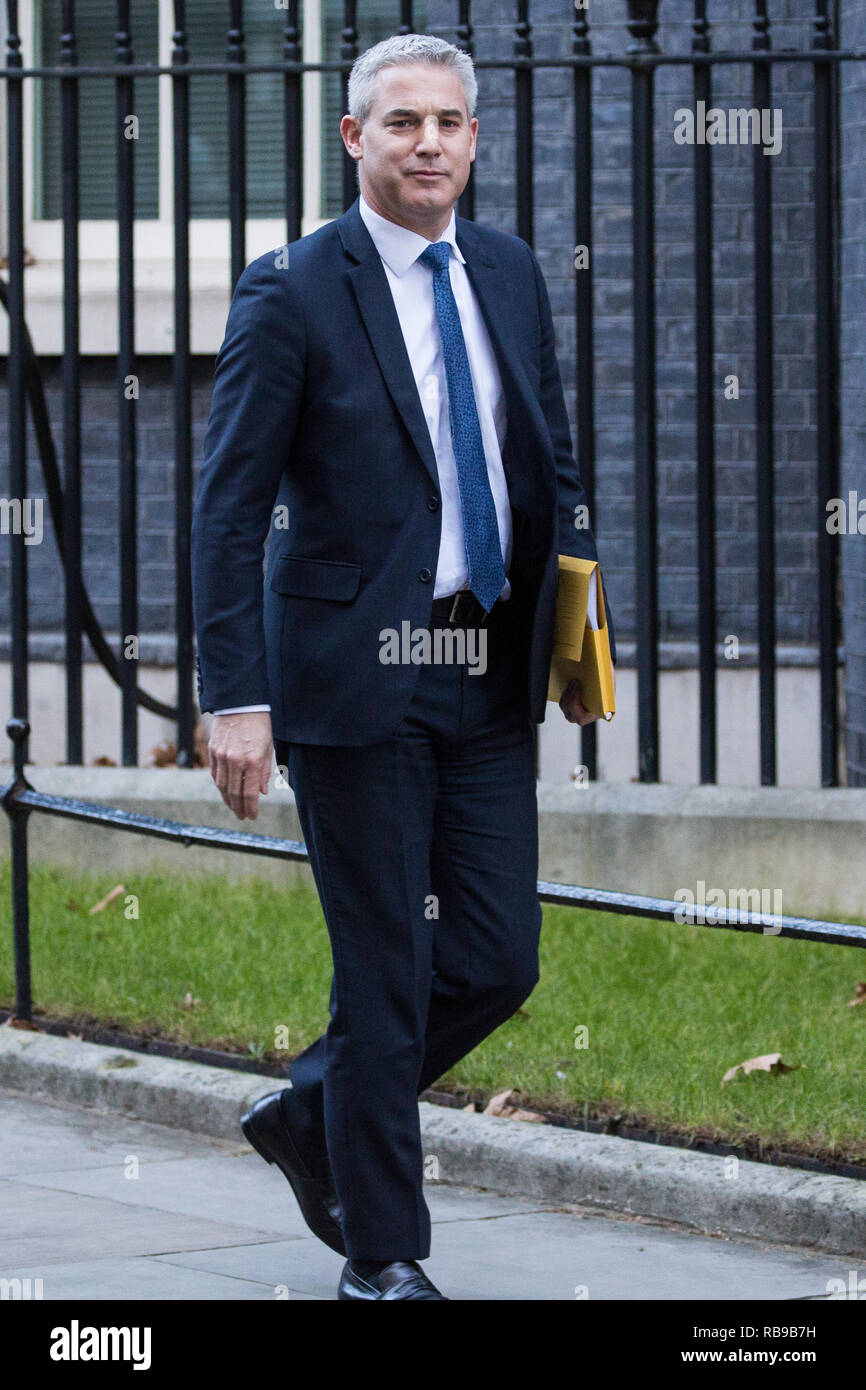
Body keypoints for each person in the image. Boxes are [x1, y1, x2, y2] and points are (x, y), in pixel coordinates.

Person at [191, 32, 615, 1301]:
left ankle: (309, 1111)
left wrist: (573, 608)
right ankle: (383, 1259)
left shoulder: (507, 270)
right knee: (386, 971)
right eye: (401, 123)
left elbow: (548, 451)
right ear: (354, 141)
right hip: (350, 676)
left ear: (473, 142)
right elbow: (228, 508)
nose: (427, 142)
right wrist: (234, 693)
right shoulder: (291, 290)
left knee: (494, 956)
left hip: (483, 666)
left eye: (448, 123)